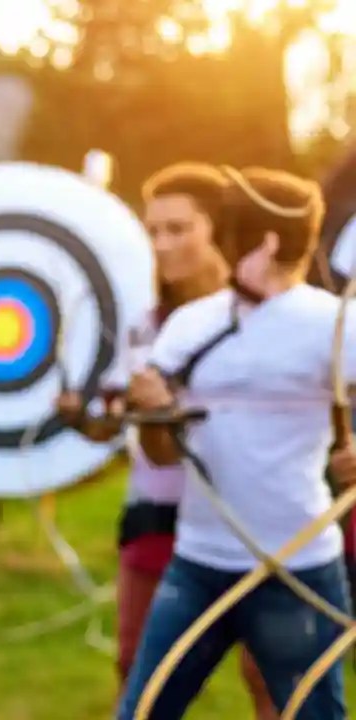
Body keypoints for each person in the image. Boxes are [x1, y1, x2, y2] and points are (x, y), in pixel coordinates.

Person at [119, 167, 356, 719]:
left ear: (268, 243)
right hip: (197, 563)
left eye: (233, 232)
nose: (221, 246)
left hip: (296, 568)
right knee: (141, 711)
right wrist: (154, 413)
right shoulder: (190, 324)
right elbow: (161, 453)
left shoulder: (336, 325)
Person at [55, 162, 276, 717]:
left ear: (218, 230)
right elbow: (118, 425)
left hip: (254, 519)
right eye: (154, 231)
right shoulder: (146, 325)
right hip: (157, 518)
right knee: (139, 673)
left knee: (272, 674)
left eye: (179, 229)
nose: (162, 244)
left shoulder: (270, 317)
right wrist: (85, 418)